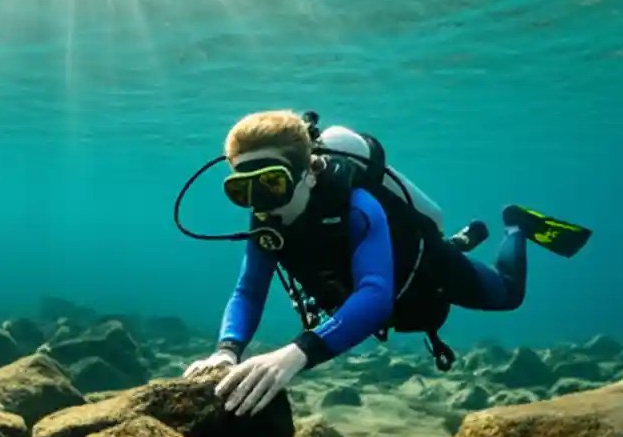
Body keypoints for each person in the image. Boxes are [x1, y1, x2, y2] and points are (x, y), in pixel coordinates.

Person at [175, 109, 591, 416]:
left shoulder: (357, 205)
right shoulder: (268, 219)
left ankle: (514, 227)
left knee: (507, 295)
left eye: (270, 183)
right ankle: (467, 239)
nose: (259, 203)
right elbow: (248, 289)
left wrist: (296, 354)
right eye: (241, 190)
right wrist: (226, 352)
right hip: (375, 285)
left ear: (309, 173)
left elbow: (375, 296)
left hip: (426, 273)